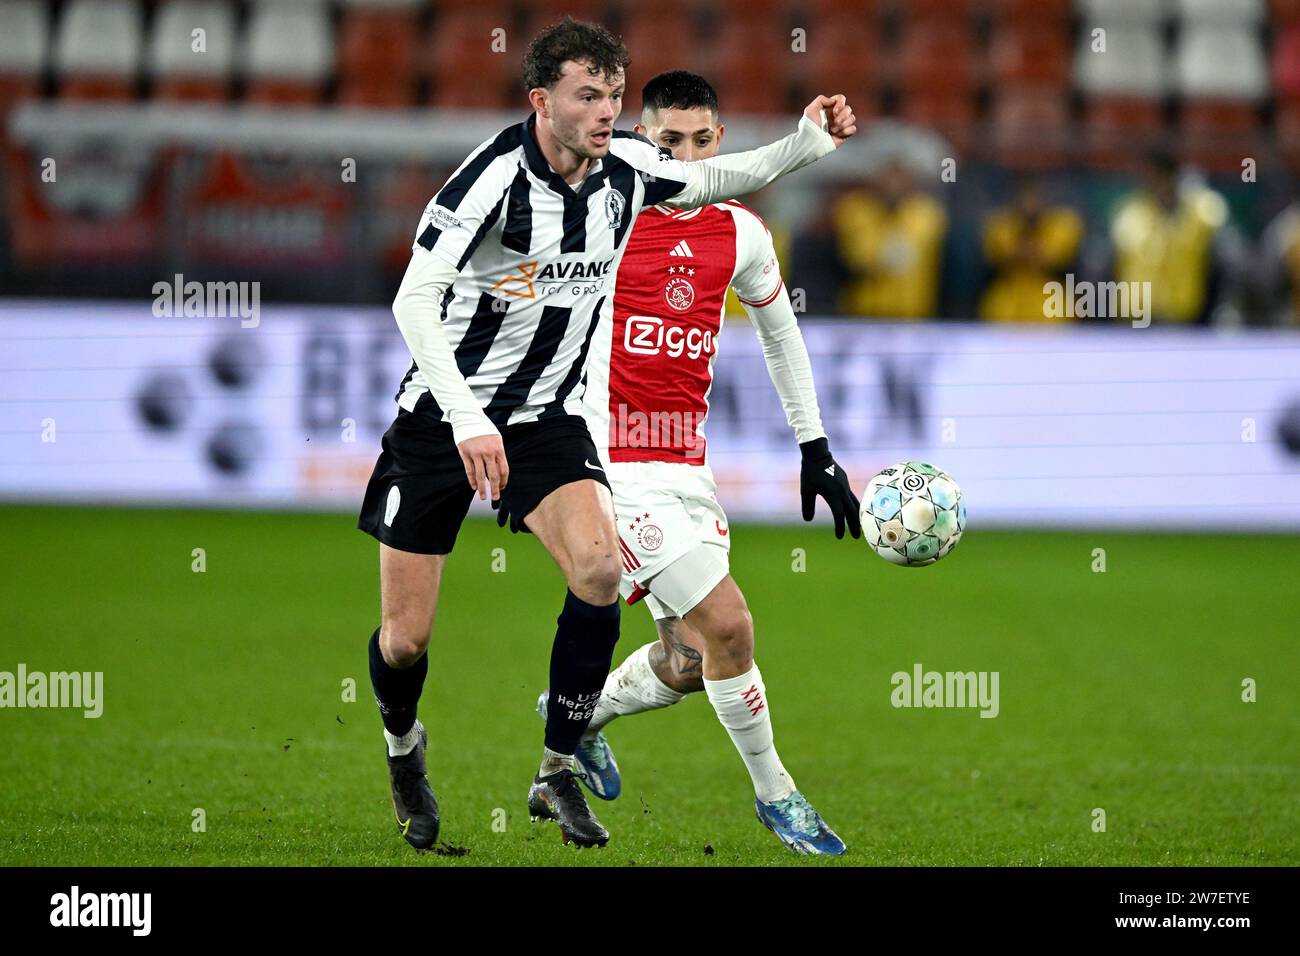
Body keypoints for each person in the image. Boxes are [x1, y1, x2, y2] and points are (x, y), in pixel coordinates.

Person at [355, 18, 857, 850]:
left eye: (615, 95)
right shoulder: (488, 180)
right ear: (540, 99)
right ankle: (403, 748)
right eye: (590, 95)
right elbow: (414, 301)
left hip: (551, 420)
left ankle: (556, 768)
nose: (606, 111)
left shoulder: (629, 170)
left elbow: (723, 175)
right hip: (446, 419)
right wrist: (471, 418)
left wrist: (806, 143)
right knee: (405, 642)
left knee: (596, 570)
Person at [513, 70, 861, 854]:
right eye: (668, 140)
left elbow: (780, 333)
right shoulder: (598, 215)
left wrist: (815, 447)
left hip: (685, 467)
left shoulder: (738, 234)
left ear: (719, 144)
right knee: (732, 625)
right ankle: (779, 797)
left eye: (701, 141)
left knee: (689, 660)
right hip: (607, 464)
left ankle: (577, 712)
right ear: (639, 138)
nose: (684, 154)